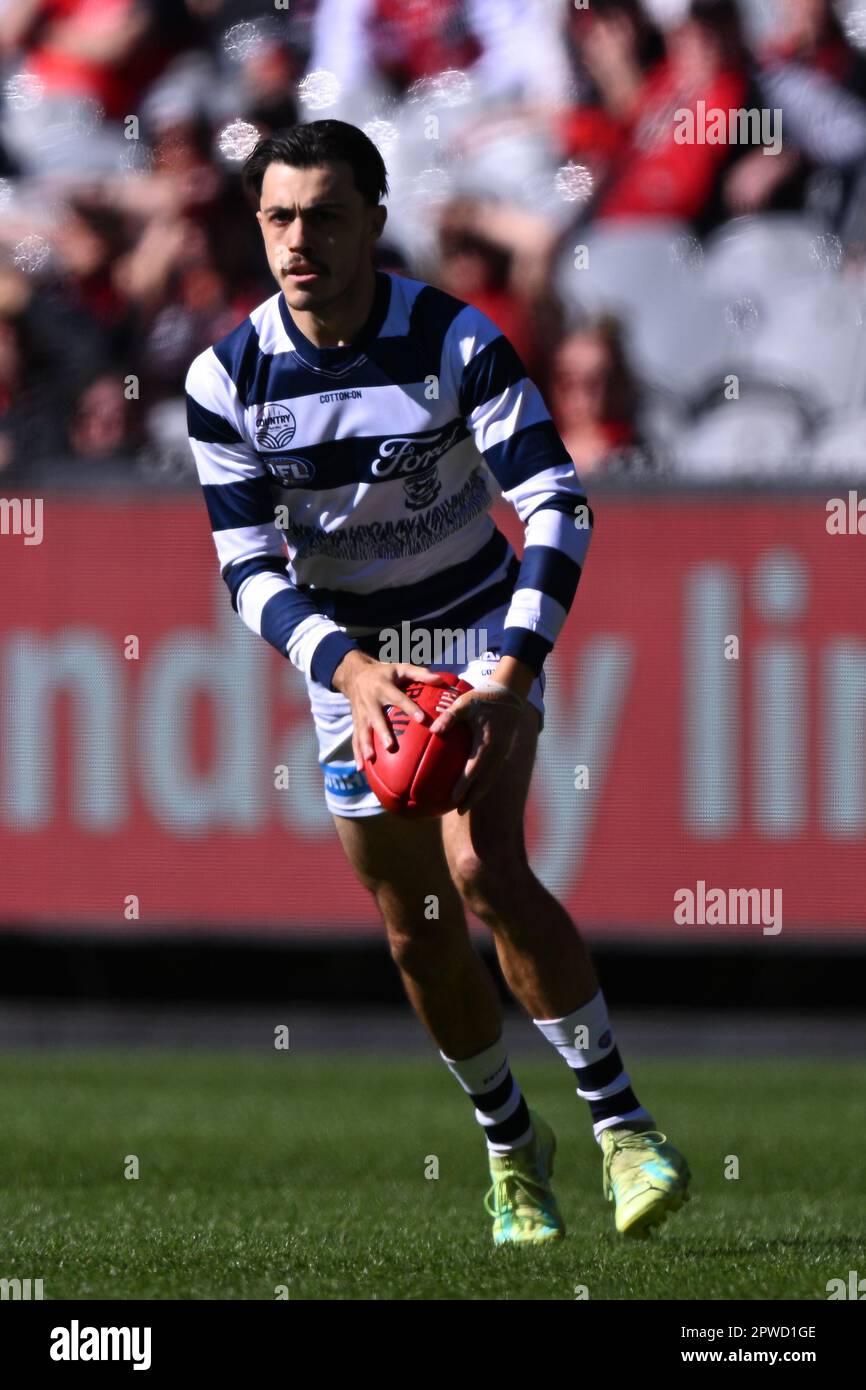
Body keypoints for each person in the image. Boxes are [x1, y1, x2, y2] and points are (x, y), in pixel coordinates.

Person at [184, 119, 690, 1243]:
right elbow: (245, 569)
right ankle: (513, 1147)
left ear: (373, 217)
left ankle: (623, 1129)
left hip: (470, 636)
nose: (297, 239)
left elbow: (557, 500)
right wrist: (351, 670)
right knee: (414, 921)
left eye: (323, 214)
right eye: (277, 217)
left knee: (485, 871)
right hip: (350, 656)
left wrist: (512, 663)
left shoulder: (457, 343)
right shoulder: (225, 379)